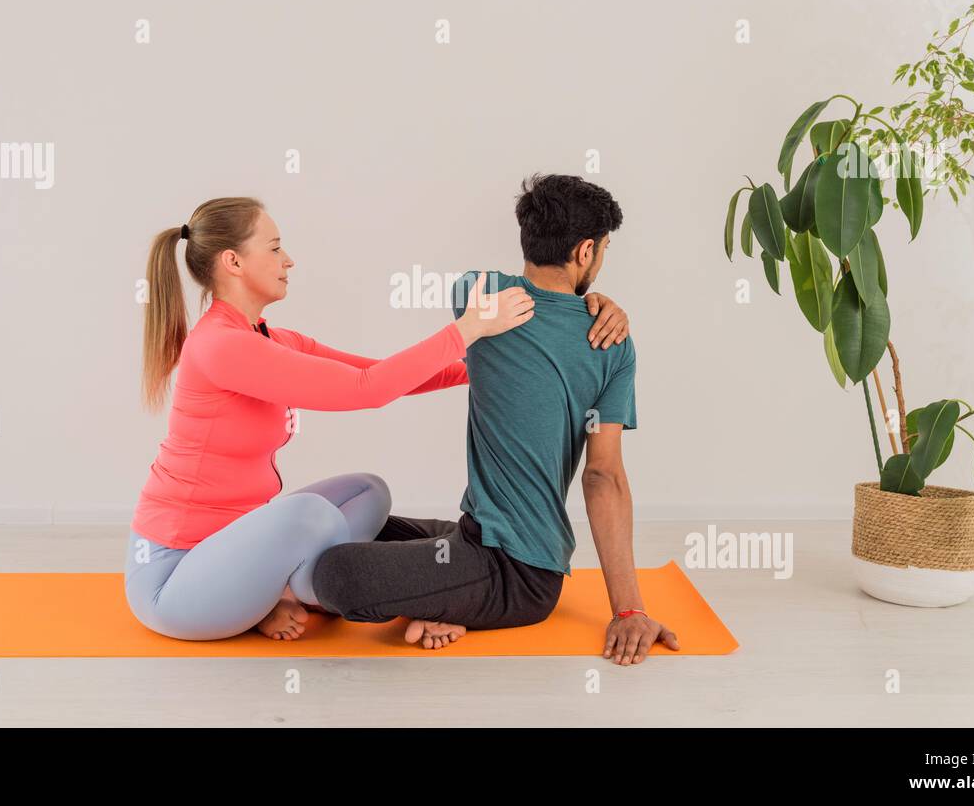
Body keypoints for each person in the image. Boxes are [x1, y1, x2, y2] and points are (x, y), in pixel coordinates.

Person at [123, 195, 633, 643]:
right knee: (311, 518)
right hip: (177, 574)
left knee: (367, 492)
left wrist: (499, 369)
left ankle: (285, 589)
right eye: (275, 247)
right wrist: (469, 330)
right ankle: (280, 593)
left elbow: (382, 373)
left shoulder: (267, 339)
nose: (289, 260)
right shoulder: (222, 347)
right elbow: (367, 392)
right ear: (233, 261)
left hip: (236, 545)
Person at [311, 174, 680, 665]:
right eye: (604, 249)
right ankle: (446, 596)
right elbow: (602, 475)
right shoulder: (610, 342)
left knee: (335, 567)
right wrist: (628, 608)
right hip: (486, 547)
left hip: (515, 569)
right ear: (586, 251)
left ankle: (446, 595)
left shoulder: (478, 295)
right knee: (343, 536)